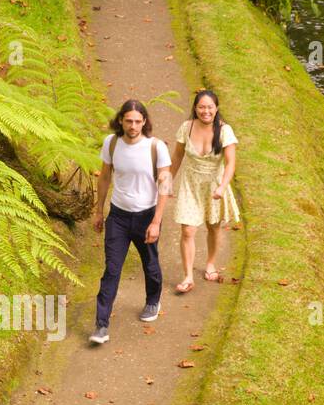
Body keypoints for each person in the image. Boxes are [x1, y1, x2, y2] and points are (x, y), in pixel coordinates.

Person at [89, 100, 172, 345]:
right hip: (119, 217)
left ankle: (153, 300)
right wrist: (98, 210)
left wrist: (156, 221)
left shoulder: (155, 147)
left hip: (147, 215)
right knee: (112, 270)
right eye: (128, 121)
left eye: (137, 121)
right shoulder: (112, 143)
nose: (133, 126)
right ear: (121, 121)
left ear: (144, 121)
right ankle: (101, 325)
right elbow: (104, 177)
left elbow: (164, 185)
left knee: (150, 265)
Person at [169, 89, 240, 293]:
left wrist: (222, 186)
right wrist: (166, 183)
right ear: (195, 108)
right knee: (188, 230)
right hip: (190, 184)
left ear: (216, 108)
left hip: (214, 185)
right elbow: (177, 157)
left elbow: (230, 163)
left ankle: (210, 263)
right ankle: (188, 276)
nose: (205, 111)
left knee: (213, 227)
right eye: (201, 107)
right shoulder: (186, 127)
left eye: (210, 107)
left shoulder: (225, 131)